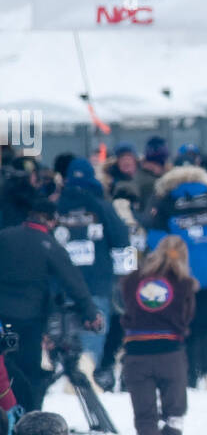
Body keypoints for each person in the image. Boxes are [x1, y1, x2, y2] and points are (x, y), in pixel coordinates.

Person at [145, 164, 207, 389]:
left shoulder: (167, 202)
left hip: (179, 276)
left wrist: (171, 264)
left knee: (181, 326)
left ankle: (185, 377)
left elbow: (156, 239)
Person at [0, 198, 102, 409]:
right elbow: (73, 280)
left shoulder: (5, 237)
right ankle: (28, 414)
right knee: (28, 368)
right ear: (50, 220)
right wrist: (90, 313)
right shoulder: (48, 244)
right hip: (30, 318)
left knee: (5, 365)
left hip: (2, 315)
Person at [120, 236, 196, 435]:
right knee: (173, 413)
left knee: (145, 416)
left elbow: (125, 306)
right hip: (171, 354)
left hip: (136, 354)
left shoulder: (132, 280)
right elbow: (187, 318)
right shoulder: (184, 283)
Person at [54, 158, 130, 383]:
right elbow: (122, 240)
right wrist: (125, 278)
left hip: (61, 286)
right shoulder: (103, 207)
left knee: (64, 333)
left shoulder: (55, 206)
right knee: (93, 331)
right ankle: (86, 370)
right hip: (97, 283)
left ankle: (64, 373)